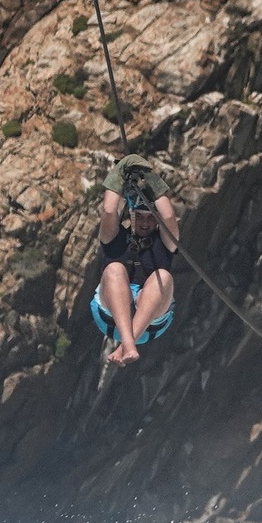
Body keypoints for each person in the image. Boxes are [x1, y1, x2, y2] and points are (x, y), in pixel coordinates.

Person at [91, 154, 180, 366]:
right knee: (114, 269)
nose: (145, 223)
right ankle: (128, 344)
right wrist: (119, 172)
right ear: (131, 215)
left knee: (164, 277)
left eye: (150, 217)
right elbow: (110, 210)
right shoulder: (115, 238)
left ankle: (126, 345)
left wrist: (151, 178)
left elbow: (168, 217)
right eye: (139, 216)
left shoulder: (164, 242)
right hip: (109, 316)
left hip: (151, 323)